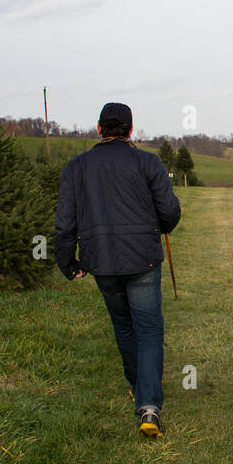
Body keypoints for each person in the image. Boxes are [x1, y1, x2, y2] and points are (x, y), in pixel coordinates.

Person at [55, 102, 181, 438]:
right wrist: (162, 225)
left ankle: (138, 388)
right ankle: (149, 404)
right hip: (143, 259)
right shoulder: (147, 162)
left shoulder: (76, 167)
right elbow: (169, 211)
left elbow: (64, 222)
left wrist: (68, 262)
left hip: (103, 263)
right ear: (130, 129)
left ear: (98, 129)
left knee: (124, 325)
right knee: (149, 329)